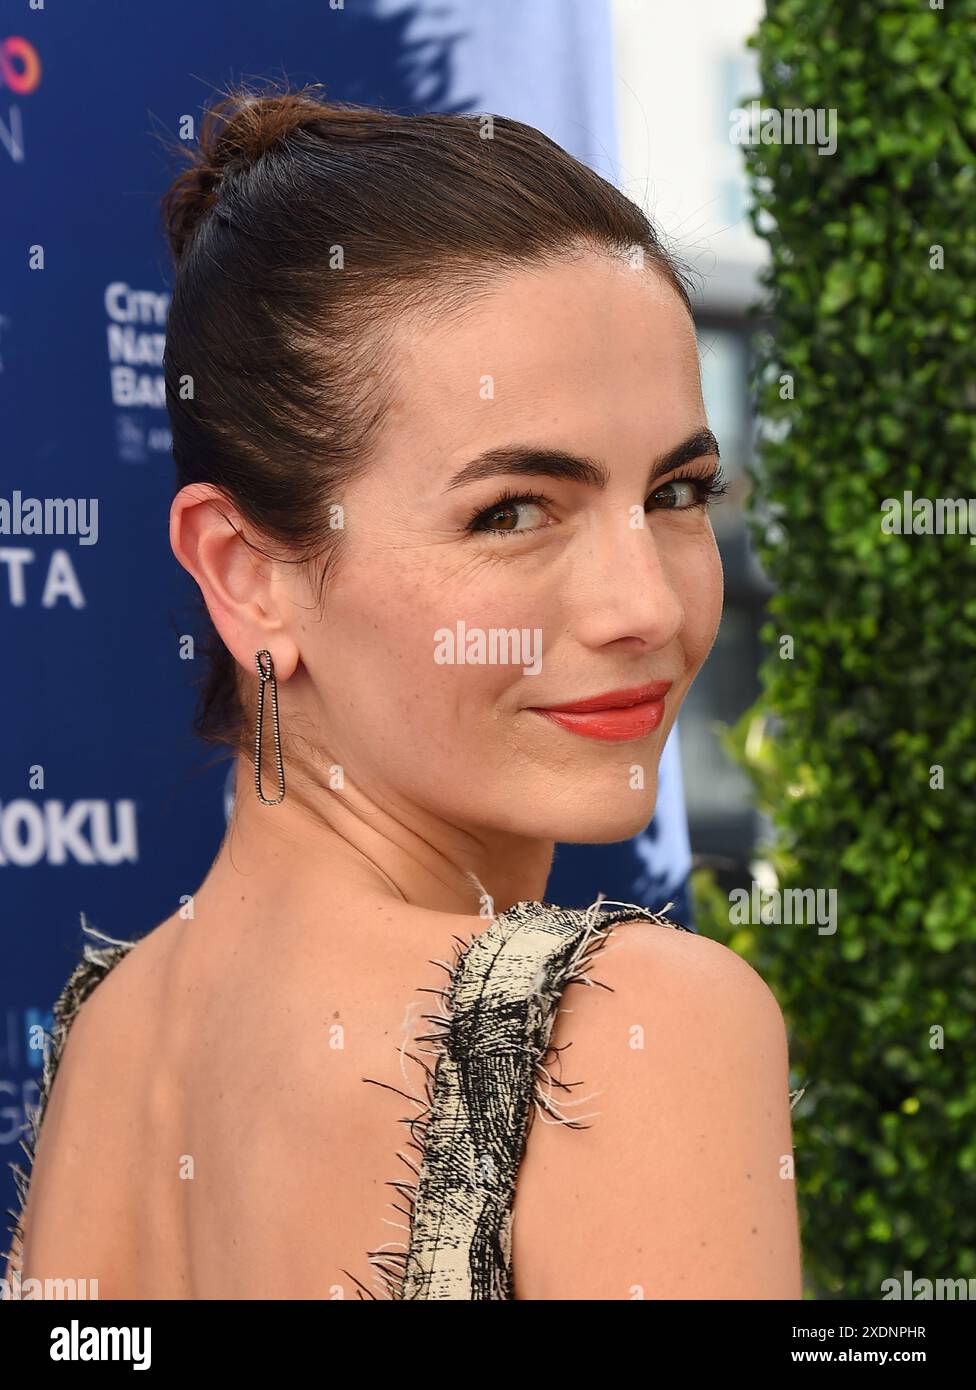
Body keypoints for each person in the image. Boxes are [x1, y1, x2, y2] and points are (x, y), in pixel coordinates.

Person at [3, 81, 802, 1301]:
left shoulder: (112, 1037)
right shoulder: (634, 1031)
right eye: (513, 512)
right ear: (249, 574)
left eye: (675, 493)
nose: (643, 602)